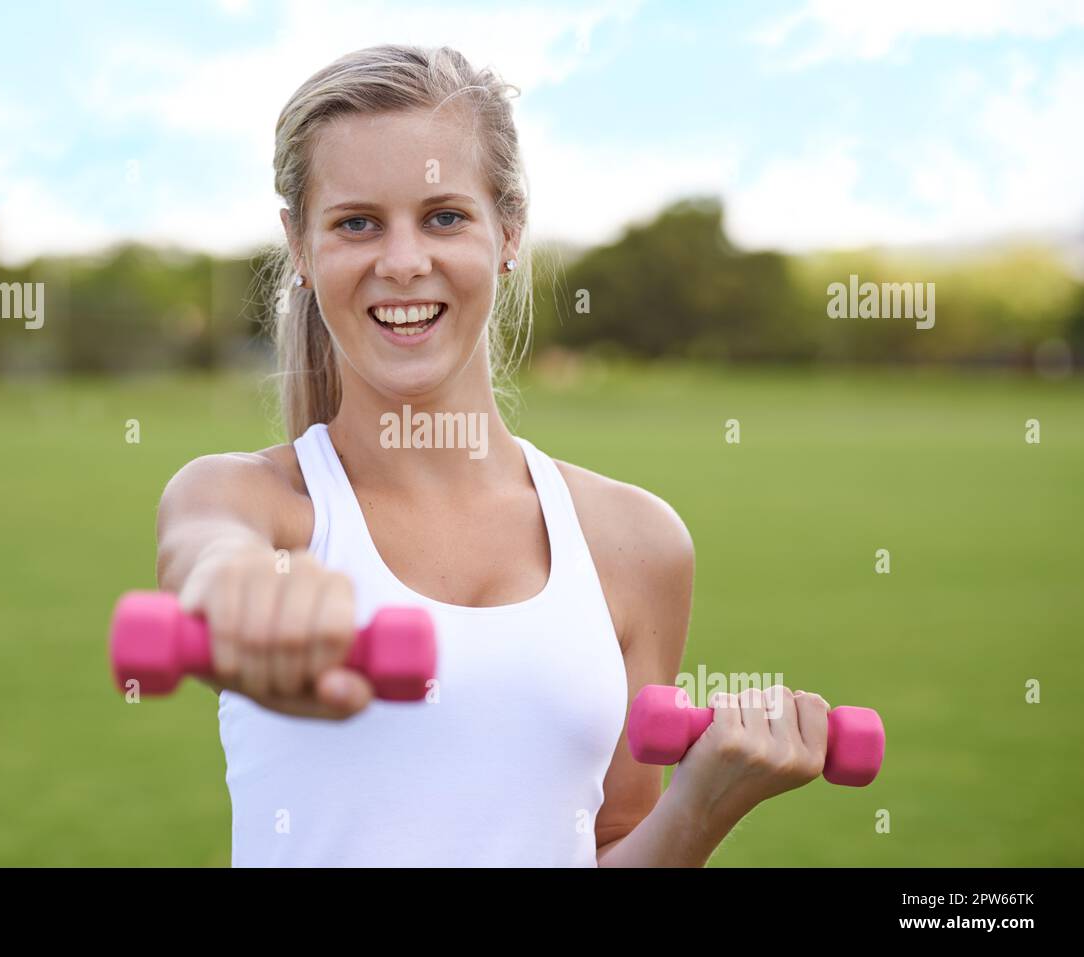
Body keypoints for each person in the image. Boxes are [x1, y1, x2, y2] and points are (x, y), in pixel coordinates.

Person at [155, 43, 832, 867]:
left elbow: (613, 842)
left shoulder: (637, 542)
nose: (403, 262)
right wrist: (238, 589)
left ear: (508, 231)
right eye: (356, 222)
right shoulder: (249, 503)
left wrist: (701, 806)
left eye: (444, 216)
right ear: (300, 246)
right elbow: (203, 557)